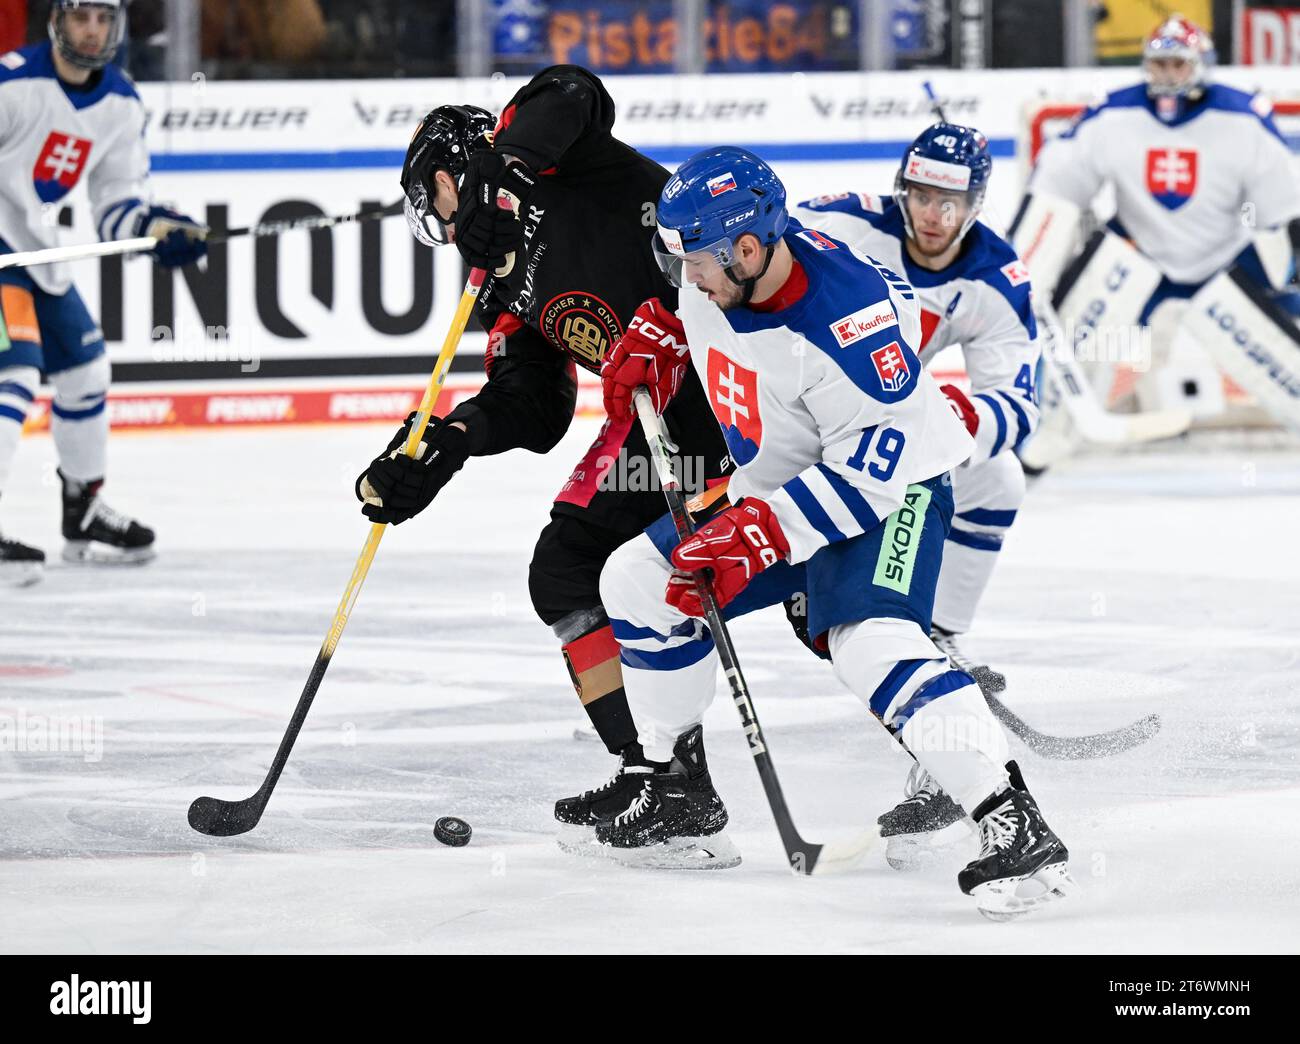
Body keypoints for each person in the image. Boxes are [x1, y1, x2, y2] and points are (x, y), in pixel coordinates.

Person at [592, 146, 1073, 917]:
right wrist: (662, 331)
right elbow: (687, 295)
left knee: (869, 639)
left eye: (697, 265)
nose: (687, 280)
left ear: (748, 249)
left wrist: (760, 534)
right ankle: (680, 795)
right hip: (778, 485)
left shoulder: (849, 329)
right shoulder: (727, 263)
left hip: (891, 487)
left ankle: (1012, 822)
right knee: (637, 581)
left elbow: (869, 474)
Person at [356, 67, 731, 830]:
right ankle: (659, 772)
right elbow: (537, 404)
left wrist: (503, 170)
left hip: (743, 385)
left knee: (809, 591)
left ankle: (940, 728)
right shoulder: (495, 280)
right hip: (668, 427)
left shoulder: (553, 155)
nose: (433, 216)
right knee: (565, 572)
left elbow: (575, 90)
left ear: (450, 168)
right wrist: (448, 443)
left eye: (431, 196)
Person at [791, 122, 1040, 866]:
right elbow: (746, 258)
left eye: (951, 199)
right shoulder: (836, 220)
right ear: (903, 190)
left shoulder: (996, 277)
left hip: (883, 429)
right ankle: (659, 737)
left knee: (997, 475)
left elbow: (1019, 406)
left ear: (978, 202)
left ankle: (941, 642)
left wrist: (950, 420)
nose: (934, 214)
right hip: (794, 418)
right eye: (922, 194)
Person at [1015, 14, 1300, 457]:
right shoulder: (1113, 113)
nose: (1166, 75)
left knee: (1283, 348)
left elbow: (1283, 207)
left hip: (1223, 259)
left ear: (1201, 64)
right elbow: (1056, 183)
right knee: (1077, 336)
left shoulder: (1242, 118)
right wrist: (1029, 260)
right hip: (1139, 255)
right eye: (1159, 64)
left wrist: (1287, 272)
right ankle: (1043, 439)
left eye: (1177, 65)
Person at [0, 0, 208, 586]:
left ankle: (83, 511)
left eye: (103, 19)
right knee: (14, 375)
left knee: (86, 372)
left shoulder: (120, 102)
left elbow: (116, 204)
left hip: (36, 254)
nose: (91, 31)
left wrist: (157, 231)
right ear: (56, 21)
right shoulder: (12, 83)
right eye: (80, 17)